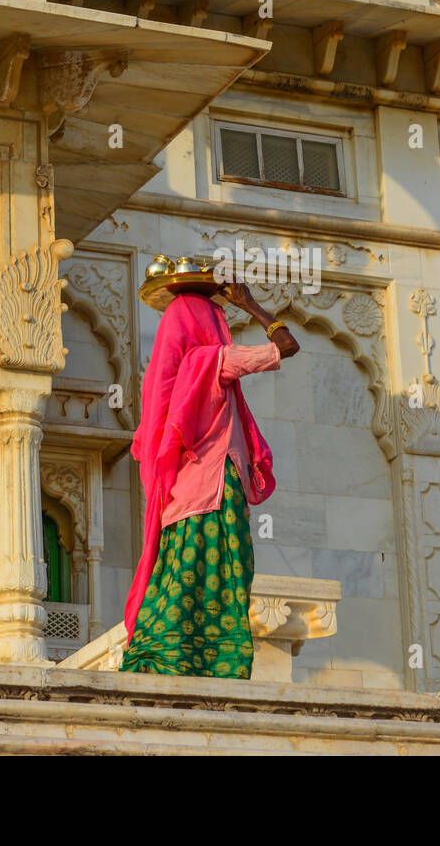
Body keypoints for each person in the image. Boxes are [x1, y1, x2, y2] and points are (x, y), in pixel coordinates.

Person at [120, 282, 300, 678]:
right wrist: (250, 305)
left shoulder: (164, 380)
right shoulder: (215, 361)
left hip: (179, 498)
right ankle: (220, 660)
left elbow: (147, 442)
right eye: (217, 319)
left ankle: (162, 654)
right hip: (218, 488)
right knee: (225, 574)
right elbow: (287, 346)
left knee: (180, 575)